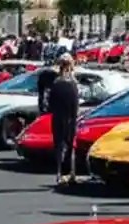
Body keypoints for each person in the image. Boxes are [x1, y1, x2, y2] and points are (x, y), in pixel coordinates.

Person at [48, 54, 80, 185]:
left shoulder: (56, 83)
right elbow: (75, 103)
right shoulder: (72, 83)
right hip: (70, 117)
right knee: (70, 145)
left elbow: (51, 104)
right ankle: (70, 173)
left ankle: (59, 173)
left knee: (59, 145)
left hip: (58, 117)